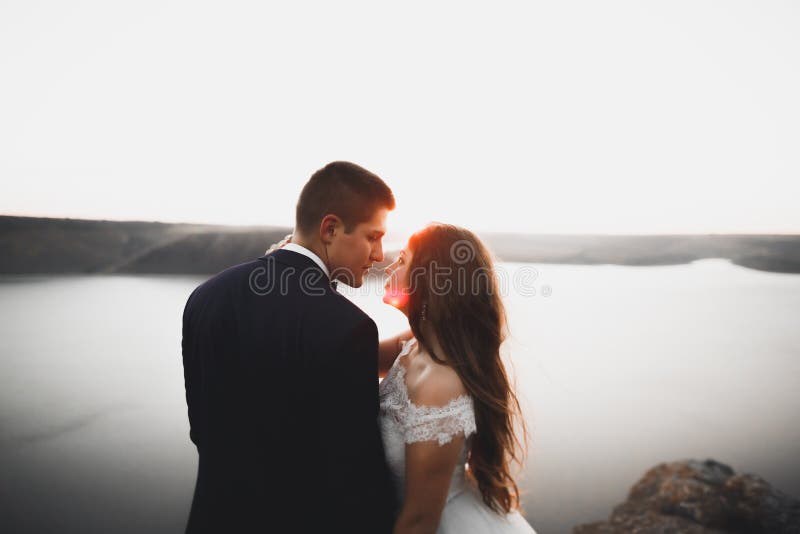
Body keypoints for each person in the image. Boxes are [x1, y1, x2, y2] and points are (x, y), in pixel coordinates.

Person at [181, 161, 398, 533]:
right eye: (372, 237)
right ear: (330, 229)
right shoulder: (348, 326)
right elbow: (356, 477)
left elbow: (201, 430)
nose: (379, 254)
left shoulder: (205, 297)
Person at [379, 223, 537, 533]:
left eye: (402, 260)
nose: (389, 267)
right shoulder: (417, 342)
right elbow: (353, 355)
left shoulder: (438, 383)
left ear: (428, 280)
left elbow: (420, 521)